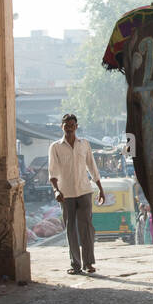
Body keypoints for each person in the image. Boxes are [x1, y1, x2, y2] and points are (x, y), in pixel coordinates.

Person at [48, 114, 106, 274]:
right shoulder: (55, 147)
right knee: (70, 229)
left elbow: (92, 167)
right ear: (62, 126)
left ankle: (88, 263)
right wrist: (56, 190)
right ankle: (75, 264)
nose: (69, 127)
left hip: (84, 191)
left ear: (76, 126)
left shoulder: (84, 144)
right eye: (66, 125)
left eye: (72, 125)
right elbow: (52, 171)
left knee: (86, 227)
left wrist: (100, 188)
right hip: (65, 194)